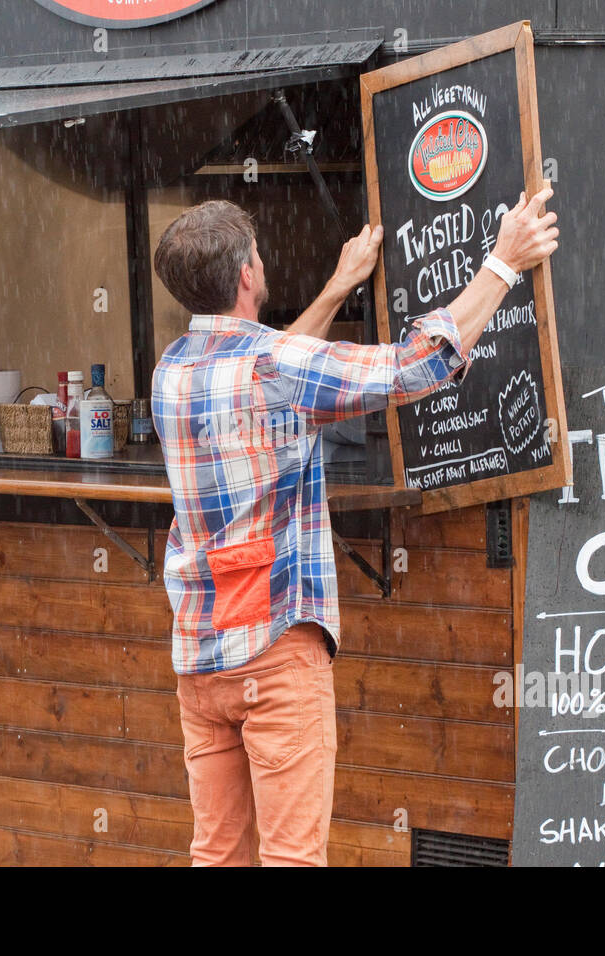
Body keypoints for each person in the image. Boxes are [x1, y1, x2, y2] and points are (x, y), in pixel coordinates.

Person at [150, 188, 558, 865]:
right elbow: (418, 364)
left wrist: (339, 286)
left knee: (218, 856)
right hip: (275, 648)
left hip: (201, 655)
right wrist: (503, 263)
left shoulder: (174, 371)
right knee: (291, 859)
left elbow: (274, 365)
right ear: (249, 274)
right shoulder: (275, 370)